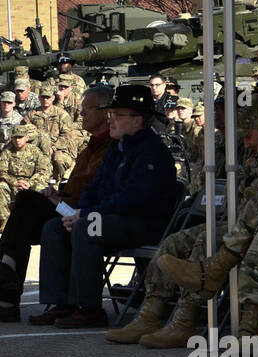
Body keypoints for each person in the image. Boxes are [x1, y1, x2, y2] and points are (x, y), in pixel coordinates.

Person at [31, 84, 177, 329]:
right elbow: (95, 188)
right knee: (55, 227)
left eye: (117, 115)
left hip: (144, 223)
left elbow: (133, 199)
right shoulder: (119, 148)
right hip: (115, 220)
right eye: (111, 114)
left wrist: (85, 215)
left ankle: (89, 309)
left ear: (138, 119)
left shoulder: (151, 151)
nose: (111, 120)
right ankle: (61, 303)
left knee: (87, 228)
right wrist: (75, 212)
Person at [0, 85, 113, 323]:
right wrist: (57, 195)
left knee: (29, 208)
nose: (82, 114)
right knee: (27, 203)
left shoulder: (112, 147)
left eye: (87, 109)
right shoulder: (90, 146)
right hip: (68, 207)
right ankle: (8, 276)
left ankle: (6, 292)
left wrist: (64, 202)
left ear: (105, 112)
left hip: (87, 214)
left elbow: (99, 191)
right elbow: (79, 186)